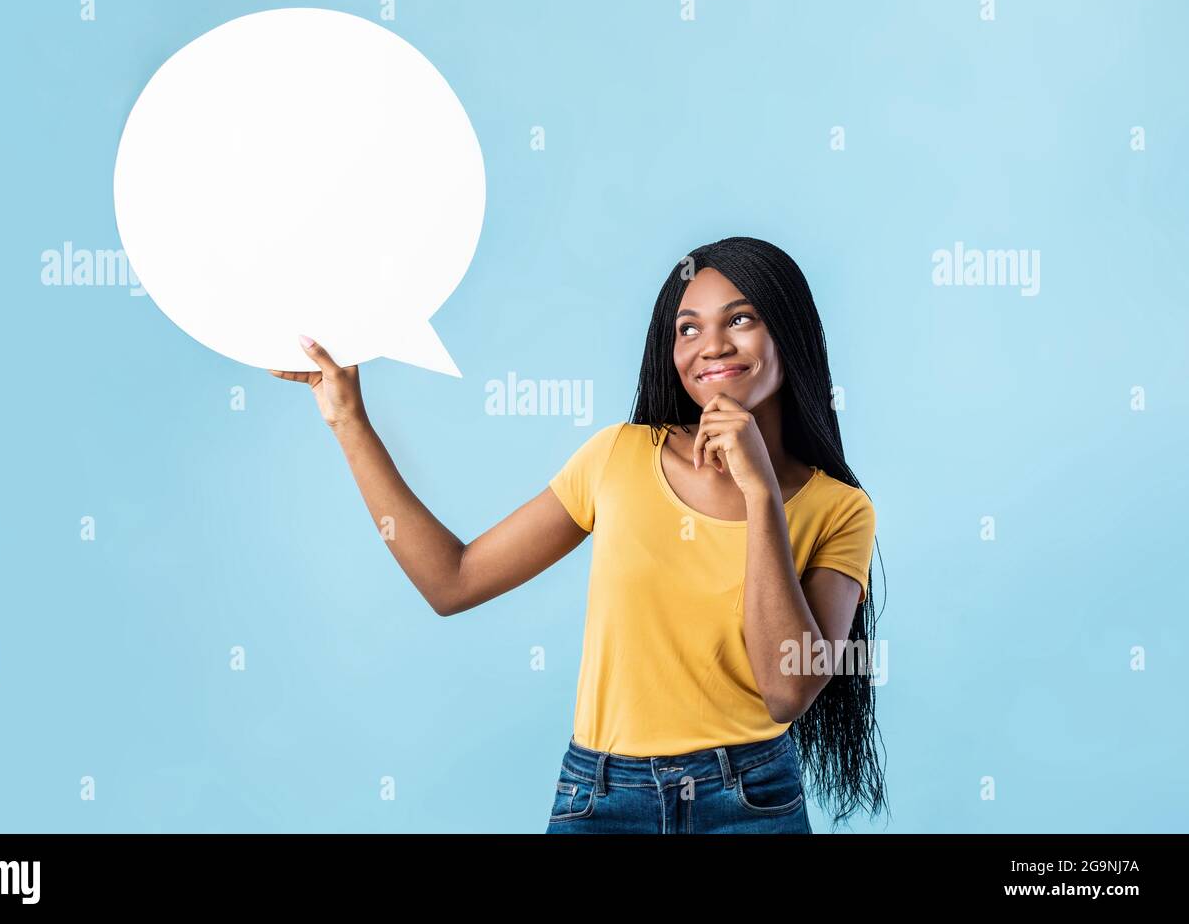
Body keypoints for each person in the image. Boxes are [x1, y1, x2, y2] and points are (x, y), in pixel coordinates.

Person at [271, 236, 887, 833]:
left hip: (750, 799)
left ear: (789, 331)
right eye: (688, 328)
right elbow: (450, 582)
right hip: (602, 799)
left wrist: (760, 496)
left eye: (741, 319)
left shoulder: (840, 510)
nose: (711, 346)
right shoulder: (616, 459)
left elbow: (786, 692)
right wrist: (348, 419)